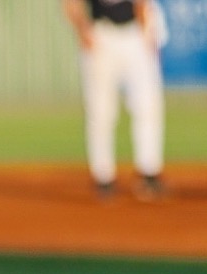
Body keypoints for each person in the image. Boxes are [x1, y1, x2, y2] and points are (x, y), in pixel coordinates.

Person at [64, 0, 166, 199]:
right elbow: (71, 3)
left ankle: (149, 173)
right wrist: (82, 29)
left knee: (148, 105)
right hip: (101, 33)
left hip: (134, 32)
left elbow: (143, 4)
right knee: (100, 111)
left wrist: (147, 31)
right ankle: (104, 177)